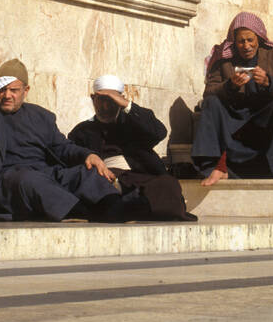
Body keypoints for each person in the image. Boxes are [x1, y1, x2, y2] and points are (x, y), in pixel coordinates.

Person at [0, 59, 136, 222]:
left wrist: (88, 155)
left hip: (44, 176)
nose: (7, 95)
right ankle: (80, 212)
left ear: (26, 90)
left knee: (87, 172)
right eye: (3, 90)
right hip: (3, 183)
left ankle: (115, 208)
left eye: (14, 90)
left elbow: (61, 147)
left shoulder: (41, 116)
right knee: (27, 179)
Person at [191, 12, 273, 185]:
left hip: (264, 117)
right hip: (233, 118)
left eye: (250, 40)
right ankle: (216, 167)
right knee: (211, 102)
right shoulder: (223, 60)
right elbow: (208, 92)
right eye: (241, 41)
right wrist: (229, 86)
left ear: (258, 39)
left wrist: (270, 83)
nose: (246, 46)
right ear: (235, 42)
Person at [68, 74, 196, 220]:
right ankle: (134, 208)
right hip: (106, 178)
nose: (105, 107)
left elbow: (159, 132)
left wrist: (126, 105)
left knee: (167, 184)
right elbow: (72, 156)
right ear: (92, 99)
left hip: (140, 176)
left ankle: (132, 208)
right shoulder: (82, 131)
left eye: (111, 101)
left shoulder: (135, 121)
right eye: (101, 100)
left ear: (120, 99)